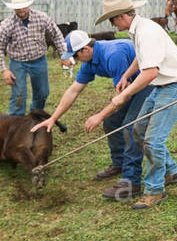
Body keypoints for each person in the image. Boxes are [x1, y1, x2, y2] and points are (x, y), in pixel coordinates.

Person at [89, 0, 177, 210]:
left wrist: (123, 97)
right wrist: (127, 75)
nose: (112, 23)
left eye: (112, 19)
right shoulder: (136, 30)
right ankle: (171, 171)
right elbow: (141, 57)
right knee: (138, 130)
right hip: (162, 85)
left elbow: (150, 73)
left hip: (175, 84)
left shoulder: (146, 31)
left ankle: (154, 190)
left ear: (121, 17)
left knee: (153, 140)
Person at [32, 30, 144, 201]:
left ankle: (131, 181)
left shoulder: (114, 55)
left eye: (75, 56)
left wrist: (98, 116)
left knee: (130, 127)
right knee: (112, 122)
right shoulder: (89, 61)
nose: (74, 61)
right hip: (130, 86)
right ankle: (119, 163)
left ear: (85, 49)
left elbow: (124, 96)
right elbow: (74, 90)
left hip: (149, 81)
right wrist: (53, 118)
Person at [0, 0, 66, 117]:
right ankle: (16, 122)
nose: (21, 10)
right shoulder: (7, 25)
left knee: (42, 92)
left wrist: (64, 55)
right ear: (13, 8)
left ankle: (35, 116)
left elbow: (56, 35)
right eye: (17, 8)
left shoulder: (42, 18)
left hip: (39, 60)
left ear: (29, 5)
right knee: (19, 94)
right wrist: (4, 70)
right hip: (17, 62)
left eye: (23, 7)